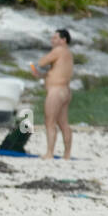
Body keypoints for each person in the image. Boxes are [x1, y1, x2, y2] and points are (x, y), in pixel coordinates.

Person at [29, 28, 73, 159]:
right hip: (65, 90)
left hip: (56, 91)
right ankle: (67, 154)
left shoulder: (59, 50)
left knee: (50, 121)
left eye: (55, 38)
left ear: (63, 40)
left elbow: (42, 62)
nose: (52, 41)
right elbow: (55, 72)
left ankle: (49, 153)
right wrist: (41, 75)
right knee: (63, 123)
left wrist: (34, 65)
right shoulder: (68, 54)